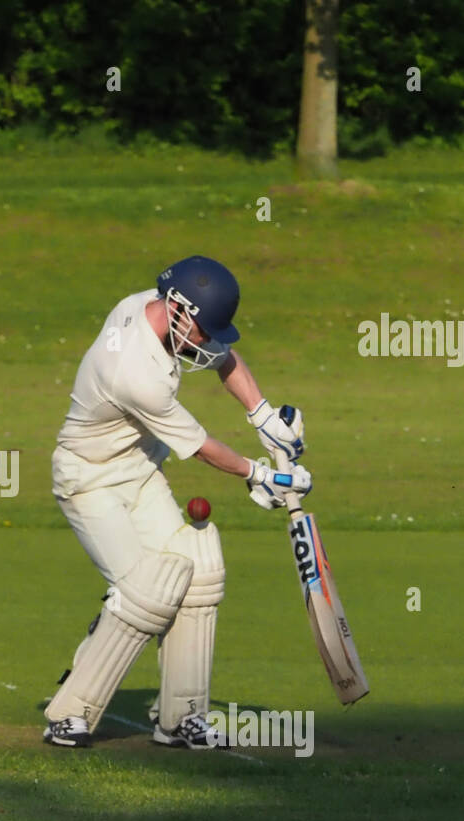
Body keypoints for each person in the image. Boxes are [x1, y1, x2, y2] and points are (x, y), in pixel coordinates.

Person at [44, 256, 311, 749]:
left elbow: (223, 357)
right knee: (148, 591)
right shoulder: (133, 372)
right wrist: (260, 474)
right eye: (202, 330)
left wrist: (264, 416)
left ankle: (181, 718)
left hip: (139, 468)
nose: (207, 342)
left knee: (200, 568)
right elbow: (203, 446)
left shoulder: (153, 307)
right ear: (179, 310)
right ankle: (69, 714)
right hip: (89, 478)